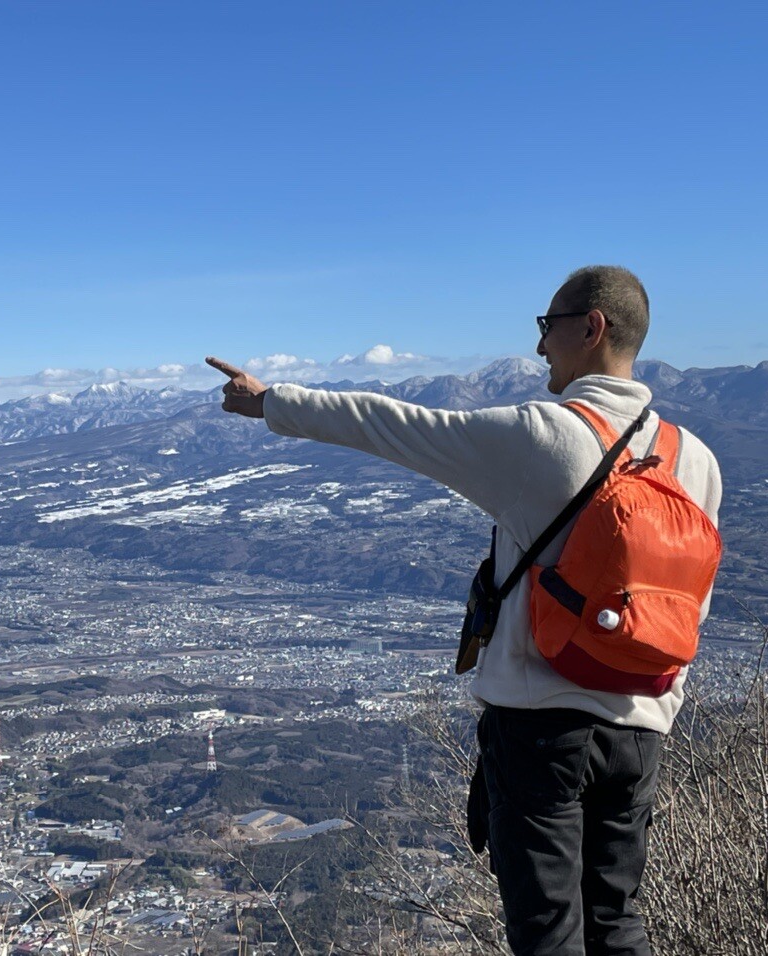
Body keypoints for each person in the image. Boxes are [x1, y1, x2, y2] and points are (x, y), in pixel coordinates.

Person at [207, 265, 722, 956]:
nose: (540, 346)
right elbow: (690, 609)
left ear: (591, 328)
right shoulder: (696, 460)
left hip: (542, 730)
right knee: (617, 924)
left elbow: (396, 426)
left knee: (549, 935)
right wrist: (657, 710)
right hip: (640, 732)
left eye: (548, 326)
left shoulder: (548, 436)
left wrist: (273, 402)